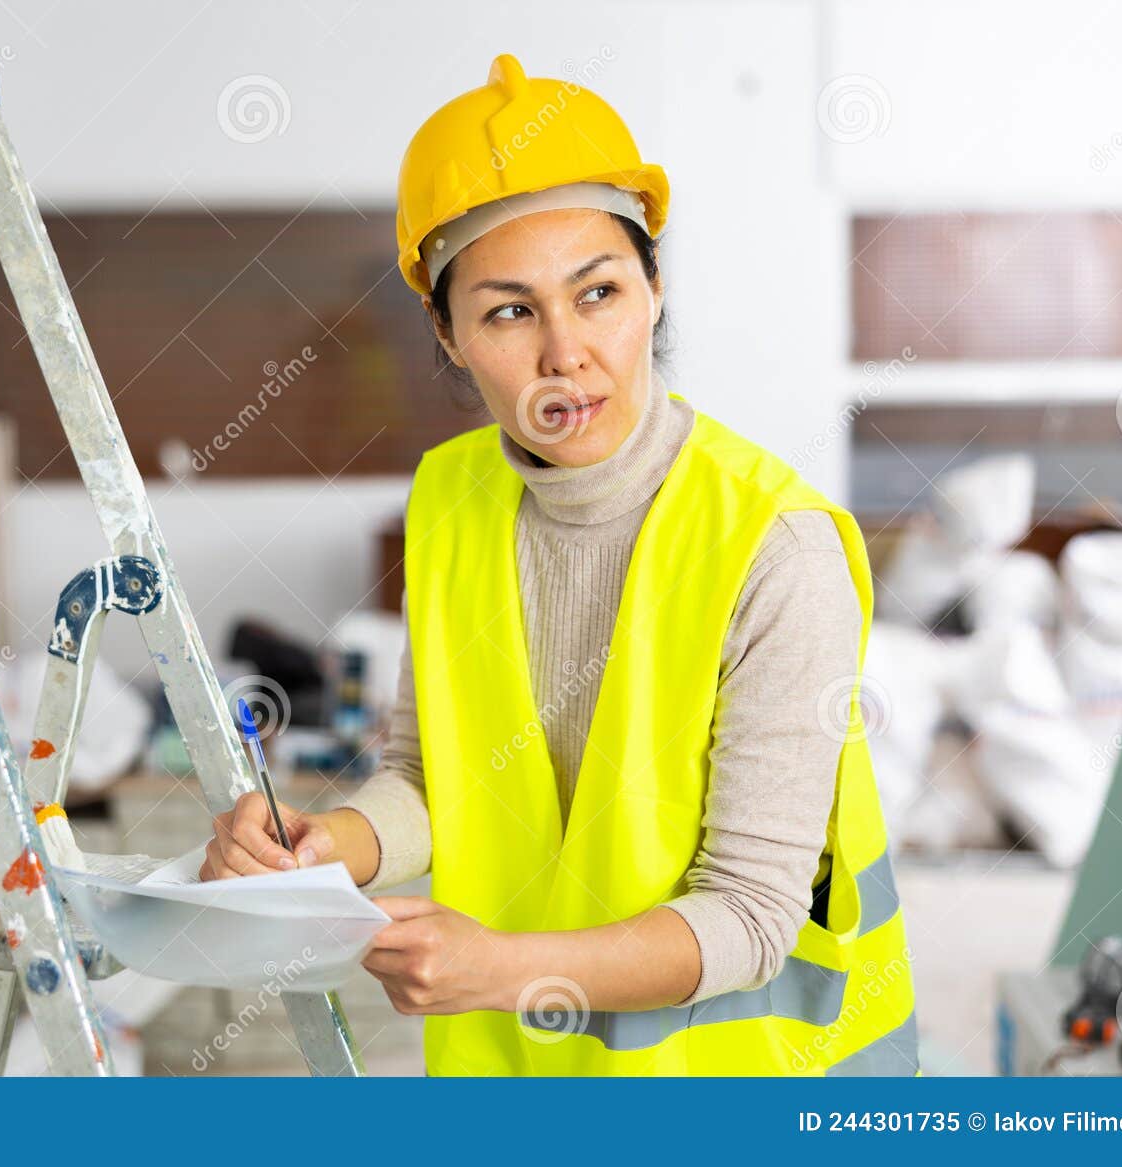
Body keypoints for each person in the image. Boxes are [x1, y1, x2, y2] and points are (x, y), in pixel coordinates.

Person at [200, 53, 918, 1076]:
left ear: (654, 291)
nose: (566, 352)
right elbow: (431, 779)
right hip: (519, 1074)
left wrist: (502, 969)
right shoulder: (452, 499)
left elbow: (753, 917)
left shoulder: (773, 542)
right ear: (446, 335)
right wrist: (328, 848)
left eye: (598, 292)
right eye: (507, 311)